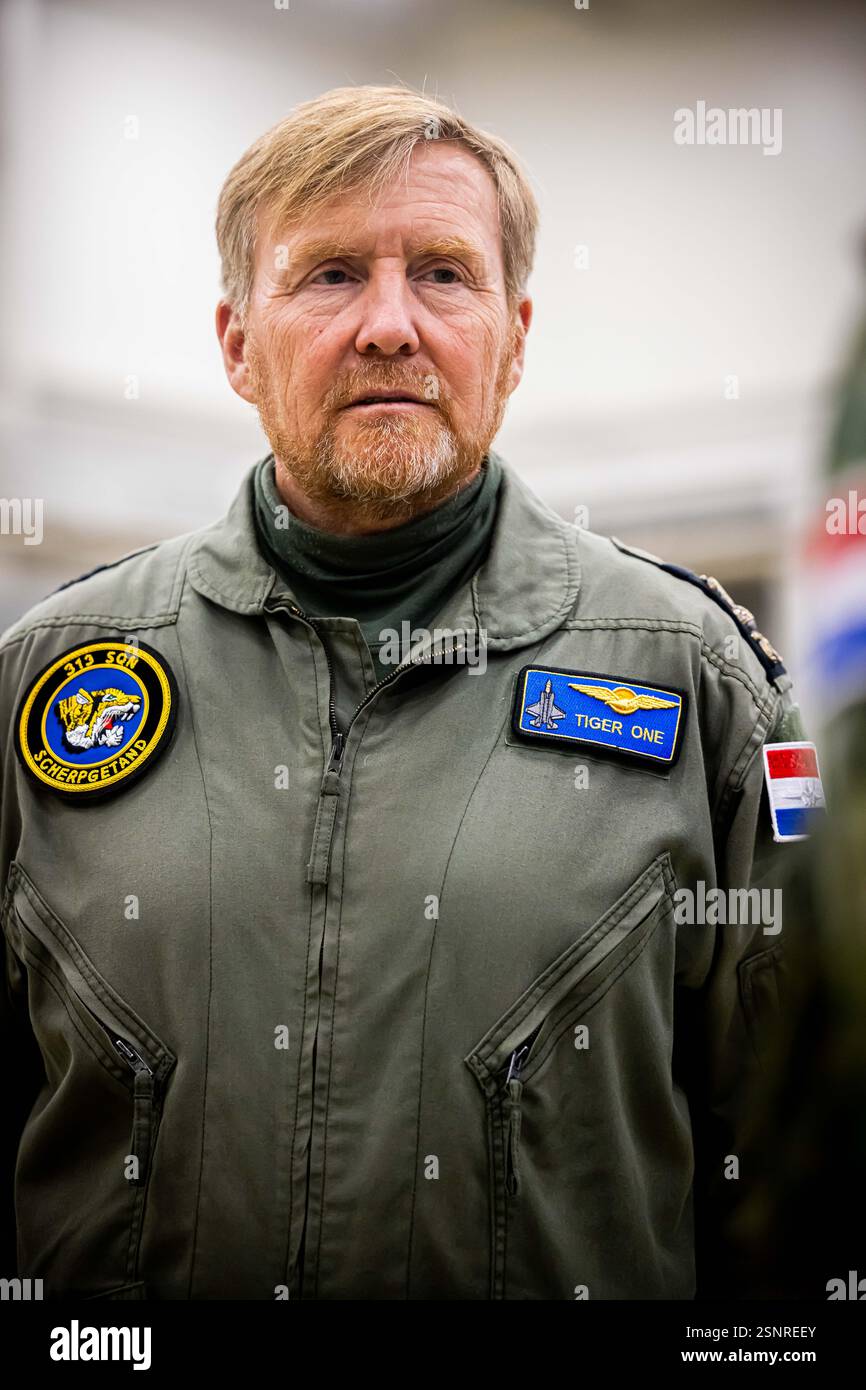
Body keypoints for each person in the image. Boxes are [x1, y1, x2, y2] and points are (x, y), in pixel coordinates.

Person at [0, 84, 815, 1301]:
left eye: (441, 273)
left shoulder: (697, 684)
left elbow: (802, 1178)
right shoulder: (44, 681)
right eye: (329, 274)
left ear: (513, 338)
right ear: (236, 343)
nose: (389, 325)